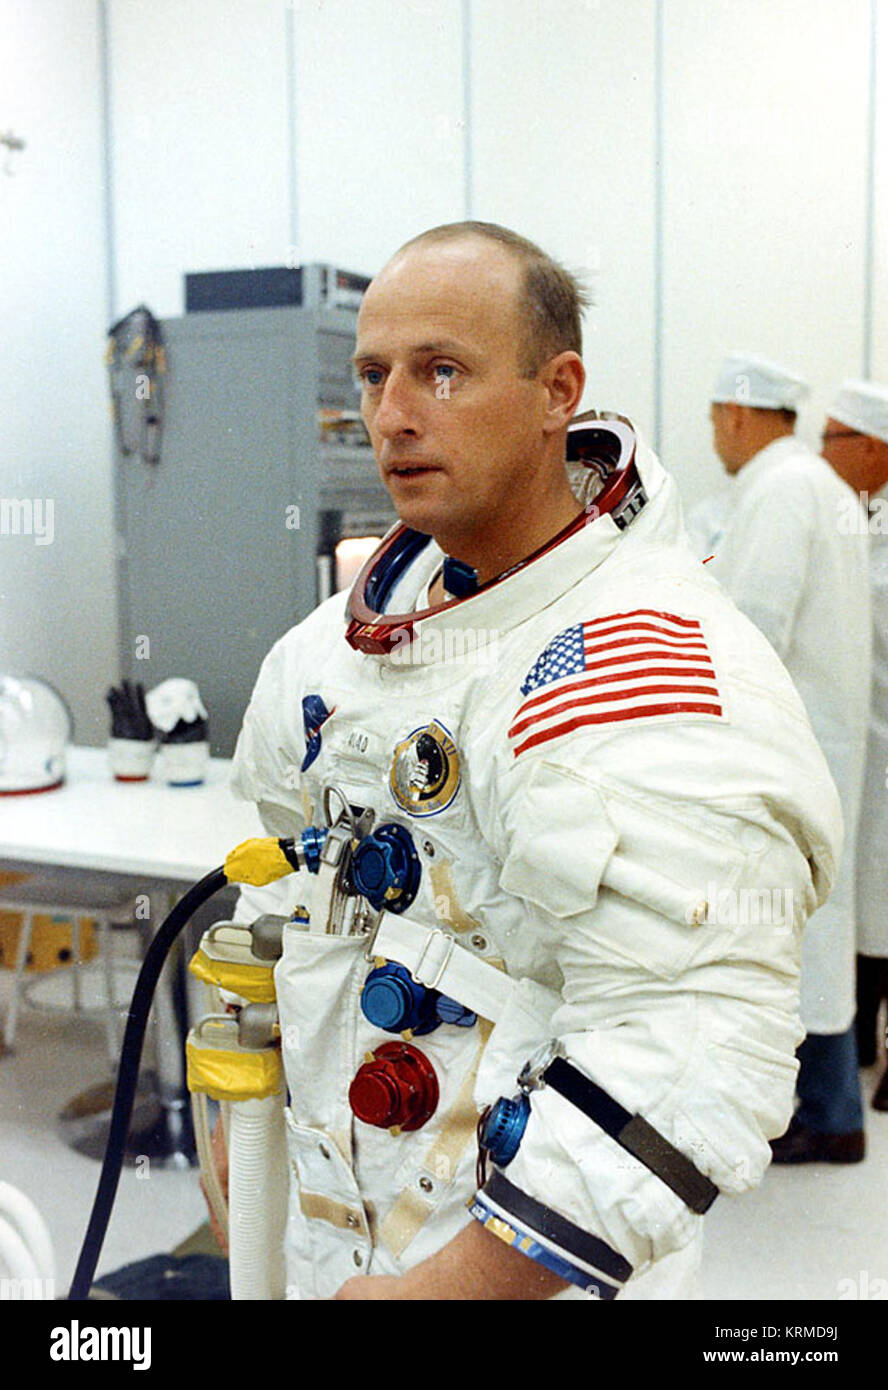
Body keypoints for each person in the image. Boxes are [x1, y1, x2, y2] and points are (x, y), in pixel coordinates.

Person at [223, 224, 842, 1300]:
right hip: (343, 1225)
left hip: (521, 1270)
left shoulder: (645, 658)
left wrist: (449, 1290)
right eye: (374, 375)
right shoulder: (328, 652)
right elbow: (283, 891)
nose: (393, 415)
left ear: (560, 390)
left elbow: (692, 1043)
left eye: (443, 371)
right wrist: (250, 1132)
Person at [696, 354, 871, 1164]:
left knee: (790, 929)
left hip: (781, 758)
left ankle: (827, 1115)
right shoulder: (809, 483)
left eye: (713, 421)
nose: (714, 438)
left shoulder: (779, 489)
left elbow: (750, 629)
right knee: (812, 928)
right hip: (813, 749)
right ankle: (827, 1107)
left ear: (736, 414)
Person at [821, 379, 888, 1112]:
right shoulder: (853, 518)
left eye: (833, 440)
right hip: (863, 743)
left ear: (873, 448)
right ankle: (863, 1037)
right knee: (864, 897)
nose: (822, 455)